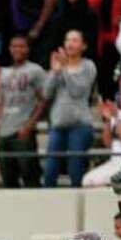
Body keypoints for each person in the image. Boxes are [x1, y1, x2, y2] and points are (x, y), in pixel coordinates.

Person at [40, 30, 97, 188]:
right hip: (58, 124)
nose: (70, 43)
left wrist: (64, 70)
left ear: (83, 46)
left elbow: (77, 91)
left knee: (75, 167)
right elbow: (46, 93)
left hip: (80, 124)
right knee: (50, 168)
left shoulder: (88, 66)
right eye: (67, 40)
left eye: (75, 40)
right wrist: (55, 72)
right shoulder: (59, 65)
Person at [0, 34, 46, 189]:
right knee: (8, 179)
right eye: (14, 46)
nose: (18, 49)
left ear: (28, 49)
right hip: (4, 132)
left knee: (30, 176)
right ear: (9, 49)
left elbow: (44, 100)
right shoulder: (3, 72)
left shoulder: (35, 70)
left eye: (22, 46)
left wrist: (29, 125)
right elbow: (2, 101)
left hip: (23, 130)